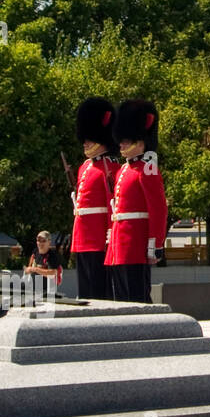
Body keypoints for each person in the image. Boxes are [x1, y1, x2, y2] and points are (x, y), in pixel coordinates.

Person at [106, 99, 167, 303]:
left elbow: (158, 209)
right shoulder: (123, 169)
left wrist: (155, 244)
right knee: (121, 298)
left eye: (126, 140)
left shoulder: (148, 169)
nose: (121, 144)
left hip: (135, 245)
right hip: (119, 245)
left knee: (138, 298)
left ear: (140, 141)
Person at [71, 97, 118, 300]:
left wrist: (110, 235)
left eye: (89, 138)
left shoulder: (111, 167)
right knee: (85, 292)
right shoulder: (84, 167)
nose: (85, 142)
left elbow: (112, 205)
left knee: (99, 292)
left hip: (99, 238)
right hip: (82, 237)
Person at [24, 230, 62, 296]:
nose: (40, 243)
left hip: (47, 291)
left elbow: (52, 273)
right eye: (38, 240)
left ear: (49, 242)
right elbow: (29, 267)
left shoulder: (52, 256)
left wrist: (35, 269)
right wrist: (28, 270)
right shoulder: (35, 252)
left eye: (43, 241)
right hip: (33, 289)